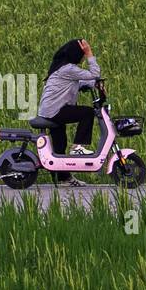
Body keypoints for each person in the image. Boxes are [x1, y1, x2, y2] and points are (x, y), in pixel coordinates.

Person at [37, 38, 100, 184]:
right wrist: (90, 54)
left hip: (50, 110)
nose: (84, 56)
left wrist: (94, 85)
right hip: (55, 110)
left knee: (60, 144)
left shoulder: (64, 68)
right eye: (82, 53)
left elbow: (84, 81)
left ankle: (64, 178)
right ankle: (78, 147)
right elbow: (94, 74)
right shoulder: (68, 69)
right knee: (88, 113)